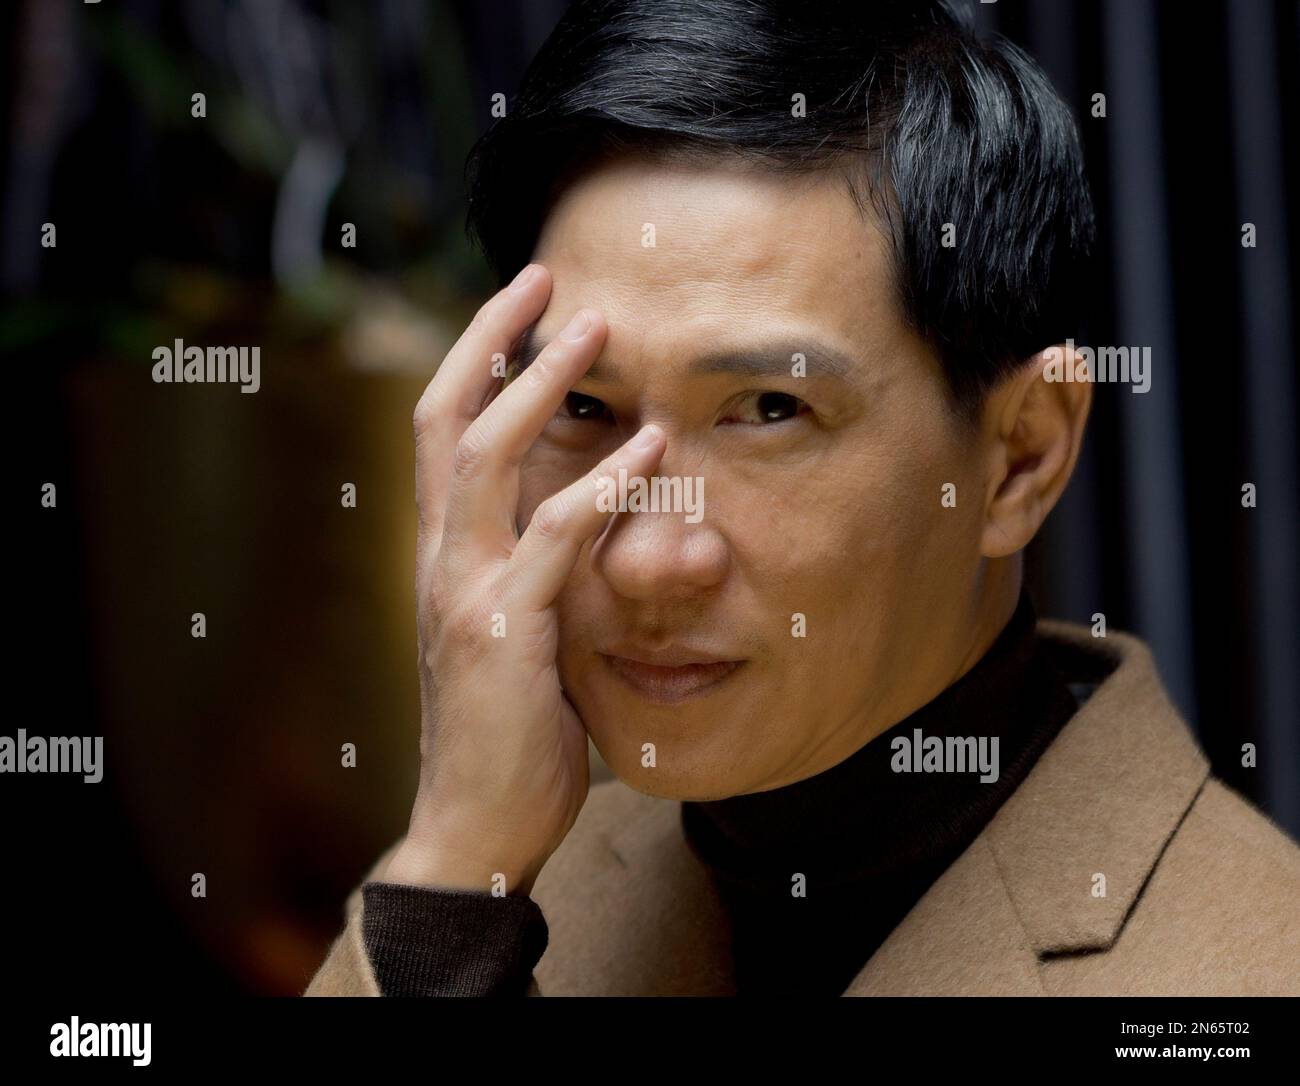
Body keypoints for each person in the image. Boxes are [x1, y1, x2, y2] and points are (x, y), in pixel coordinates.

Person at [304, 0, 1300, 996]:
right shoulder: (483, 903)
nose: (647, 560)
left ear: (1019, 457)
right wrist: (451, 881)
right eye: (577, 403)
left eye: (770, 408)